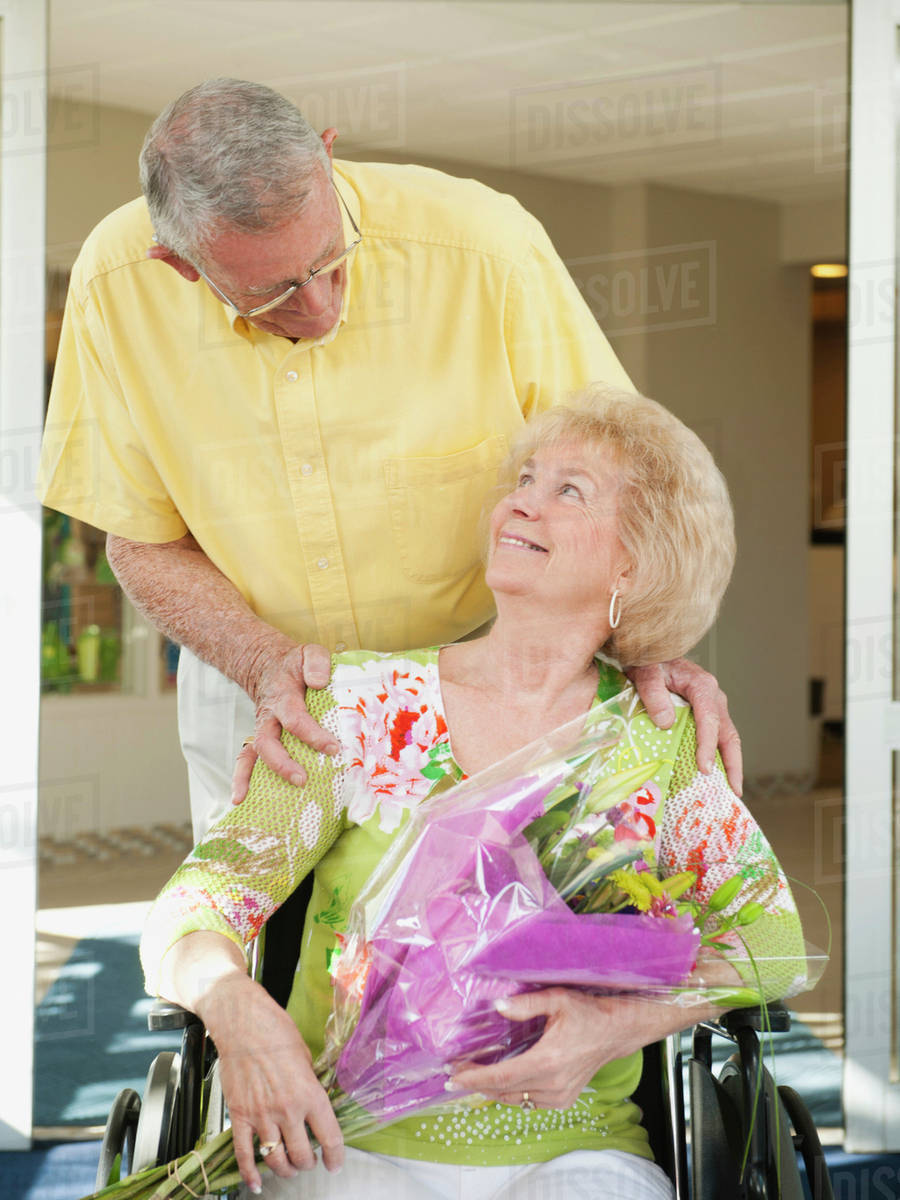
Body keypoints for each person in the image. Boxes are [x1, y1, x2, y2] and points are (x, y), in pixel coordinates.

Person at [140, 386, 808, 1199]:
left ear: (633, 560)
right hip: (342, 1140)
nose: (521, 504)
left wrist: (616, 1028)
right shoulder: (359, 706)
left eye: (569, 490)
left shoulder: (658, 739)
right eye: (524, 480)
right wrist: (238, 1012)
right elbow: (196, 907)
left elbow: (771, 939)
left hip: (575, 1151)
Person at [37, 78, 741, 843]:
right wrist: (263, 661)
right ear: (179, 265)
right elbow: (143, 538)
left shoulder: (486, 244)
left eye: (330, 260)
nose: (318, 307)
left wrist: (648, 646)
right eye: (268, 294)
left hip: (485, 675)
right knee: (258, 930)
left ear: (329, 163)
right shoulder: (115, 287)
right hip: (257, 676)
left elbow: (622, 475)